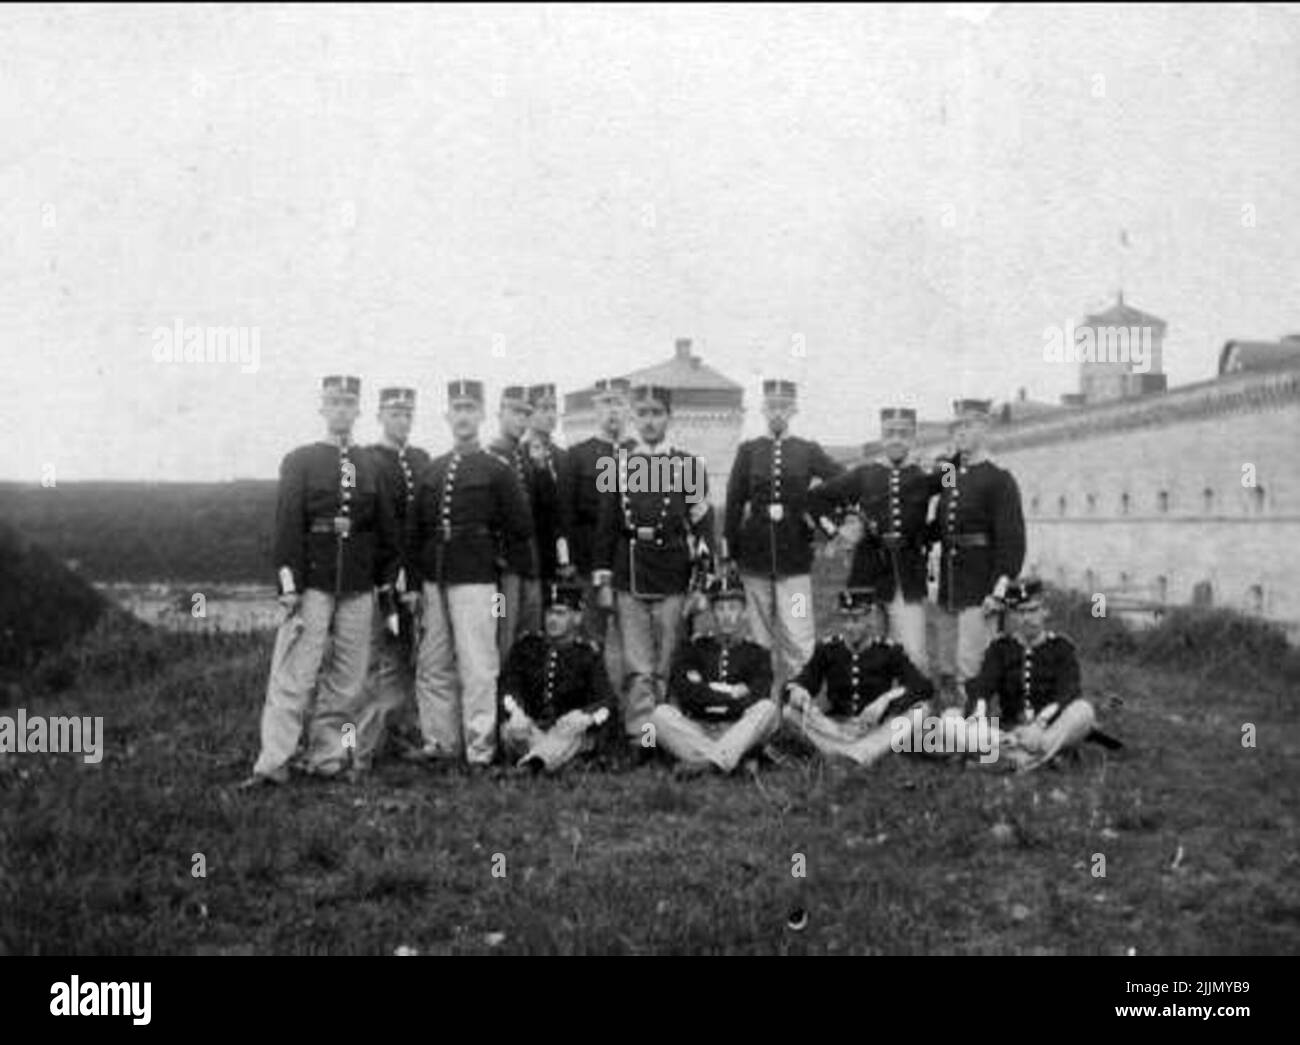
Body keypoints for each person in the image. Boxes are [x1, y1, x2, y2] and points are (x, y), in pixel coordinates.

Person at [243, 375, 399, 787]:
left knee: (348, 680)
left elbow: (385, 531)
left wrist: (384, 582)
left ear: (359, 410)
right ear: (322, 408)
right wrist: (288, 584)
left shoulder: (372, 464)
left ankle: (326, 757)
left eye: (349, 403)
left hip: (358, 584)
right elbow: (287, 525)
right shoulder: (300, 460)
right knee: (296, 674)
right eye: (335, 402)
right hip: (312, 581)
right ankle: (273, 763)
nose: (342, 410)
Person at [408, 379, 533, 769]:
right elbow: (414, 533)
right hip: (434, 578)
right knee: (433, 665)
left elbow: (520, 528)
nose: (463, 417)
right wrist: (413, 583)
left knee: (479, 665)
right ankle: (441, 744)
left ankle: (480, 749)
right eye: (456, 410)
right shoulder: (433, 469)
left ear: (481, 416)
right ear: (448, 416)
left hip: (477, 578)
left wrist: (500, 571)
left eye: (470, 409)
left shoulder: (497, 470)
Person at [593, 384, 714, 753]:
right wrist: (603, 579)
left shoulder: (688, 465)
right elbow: (606, 525)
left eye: (656, 413)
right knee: (637, 662)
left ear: (668, 418)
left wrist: (702, 584)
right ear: (634, 417)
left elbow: (703, 525)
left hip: (674, 569)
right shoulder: (615, 465)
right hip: (630, 569)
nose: (648, 421)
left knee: (668, 658)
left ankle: (669, 732)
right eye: (642, 414)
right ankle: (640, 735)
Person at [724, 379, 843, 693]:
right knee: (759, 639)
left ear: (793, 410)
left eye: (783, 406)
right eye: (772, 406)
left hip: (795, 561)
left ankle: (799, 710)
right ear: (764, 409)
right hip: (755, 559)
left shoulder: (807, 450)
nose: (777, 413)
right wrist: (730, 553)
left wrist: (819, 518)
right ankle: (762, 705)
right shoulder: (749, 451)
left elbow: (842, 482)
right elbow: (735, 502)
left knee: (799, 636)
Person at [807, 407, 938, 673]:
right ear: (882, 436)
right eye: (890, 433)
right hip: (867, 574)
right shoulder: (865, 474)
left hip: (907, 575)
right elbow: (815, 498)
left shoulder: (925, 475)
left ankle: (909, 710)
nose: (896, 440)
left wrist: (944, 461)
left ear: (913, 437)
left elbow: (955, 483)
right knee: (867, 653)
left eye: (903, 434)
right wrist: (837, 532)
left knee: (913, 655)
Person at [354, 386, 431, 769]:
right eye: (395, 413)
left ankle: (402, 738)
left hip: (419, 575)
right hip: (387, 576)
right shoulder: (369, 460)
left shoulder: (420, 459)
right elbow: (375, 523)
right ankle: (362, 750)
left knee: (417, 661)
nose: (402, 420)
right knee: (384, 660)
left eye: (407, 414)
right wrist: (390, 572)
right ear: (380, 416)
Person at [931, 398, 1026, 705]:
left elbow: (1012, 541)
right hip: (949, 584)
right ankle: (949, 727)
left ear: (985, 429)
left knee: (970, 664)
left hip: (979, 585)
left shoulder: (1000, 478)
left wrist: (998, 590)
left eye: (968, 426)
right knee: (946, 663)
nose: (960, 433)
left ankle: (974, 732)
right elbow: (941, 524)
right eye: (956, 426)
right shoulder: (950, 472)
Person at [782, 588, 933, 767]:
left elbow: (923, 686)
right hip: (835, 726)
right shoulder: (828, 649)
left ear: (871, 618)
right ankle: (855, 753)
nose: (849, 627)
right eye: (844, 619)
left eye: (856, 620)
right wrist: (798, 691)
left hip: (874, 728)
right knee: (789, 711)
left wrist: (886, 700)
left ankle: (852, 752)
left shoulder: (889, 651)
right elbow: (803, 680)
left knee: (921, 710)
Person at [965, 578, 1105, 771]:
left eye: (1032, 610)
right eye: (1019, 612)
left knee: (1084, 711)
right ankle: (1038, 755)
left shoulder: (1062, 648)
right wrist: (979, 719)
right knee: (951, 718)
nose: (1026, 618)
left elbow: (1068, 692)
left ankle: (1016, 757)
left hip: (1050, 728)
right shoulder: (1000, 648)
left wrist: (1038, 726)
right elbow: (982, 687)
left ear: (1045, 611)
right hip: (1010, 730)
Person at [650, 574, 779, 777]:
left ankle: (704, 764)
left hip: (737, 728)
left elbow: (757, 695)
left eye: (733, 608)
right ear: (712, 613)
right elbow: (686, 692)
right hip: (698, 728)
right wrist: (730, 693)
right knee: (658, 715)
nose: (727, 615)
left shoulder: (758, 653)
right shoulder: (696, 647)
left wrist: (707, 690)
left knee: (768, 710)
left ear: (744, 613)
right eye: (720, 608)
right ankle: (730, 761)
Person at [498, 580, 616, 773]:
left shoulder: (587, 655)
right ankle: (550, 761)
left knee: (568, 737)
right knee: (512, 731)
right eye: (549, 613)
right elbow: (507, 687)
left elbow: (607, 703)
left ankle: (532, 766)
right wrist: (515, 713)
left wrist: (587, 717)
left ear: (577, 618)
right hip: (530, 729)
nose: (552, 619)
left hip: (567, 732)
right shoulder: (527, 647)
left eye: (560, 614)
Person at [565, 377, 630, 688]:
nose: (612, 411)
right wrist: (576, 564)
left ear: (628, 407)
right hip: (590, 564)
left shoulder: (641, 454)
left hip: (634, 565)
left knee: (635, 647)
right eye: (606, 403)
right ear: (595, 408)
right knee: (593, 641)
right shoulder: (578, 456)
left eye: (618, 402)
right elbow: (567, 515)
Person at [488, 385, 542, 653]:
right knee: (502, 630)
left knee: (529, 631)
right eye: (515, 412)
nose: (521, 420)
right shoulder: (491, 455)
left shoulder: (525, 458)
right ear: (500, 414)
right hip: (502, 565)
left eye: (526, 414)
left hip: (527, 562)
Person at [523, 382, 573, 587]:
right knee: (507, 610)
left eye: (553, 408)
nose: (551, 415)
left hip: (560, 553)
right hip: (530, 550)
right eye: (543, 409)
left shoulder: (564, 457)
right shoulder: (519, 455)